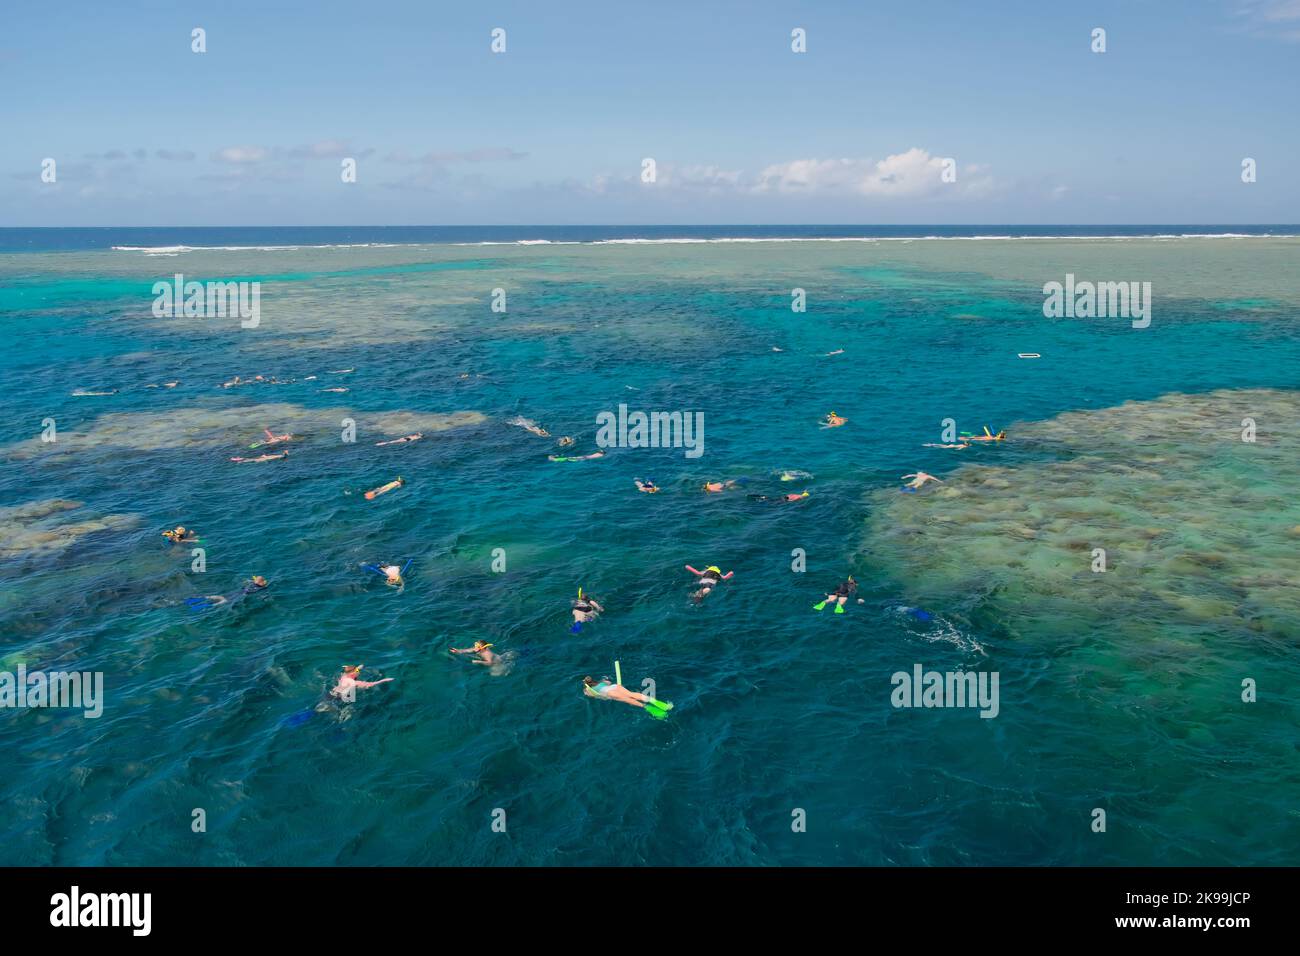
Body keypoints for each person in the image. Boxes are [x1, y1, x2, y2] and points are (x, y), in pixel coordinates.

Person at [581, 675, 658, 710]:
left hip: (610, 692)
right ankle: (651, 700)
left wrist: (585, 688)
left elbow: (589, 694)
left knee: (628, 699)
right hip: (615, 686)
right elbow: (609, 682)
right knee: (631, 694)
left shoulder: (589, 689)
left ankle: (647, 707)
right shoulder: (601, 682)